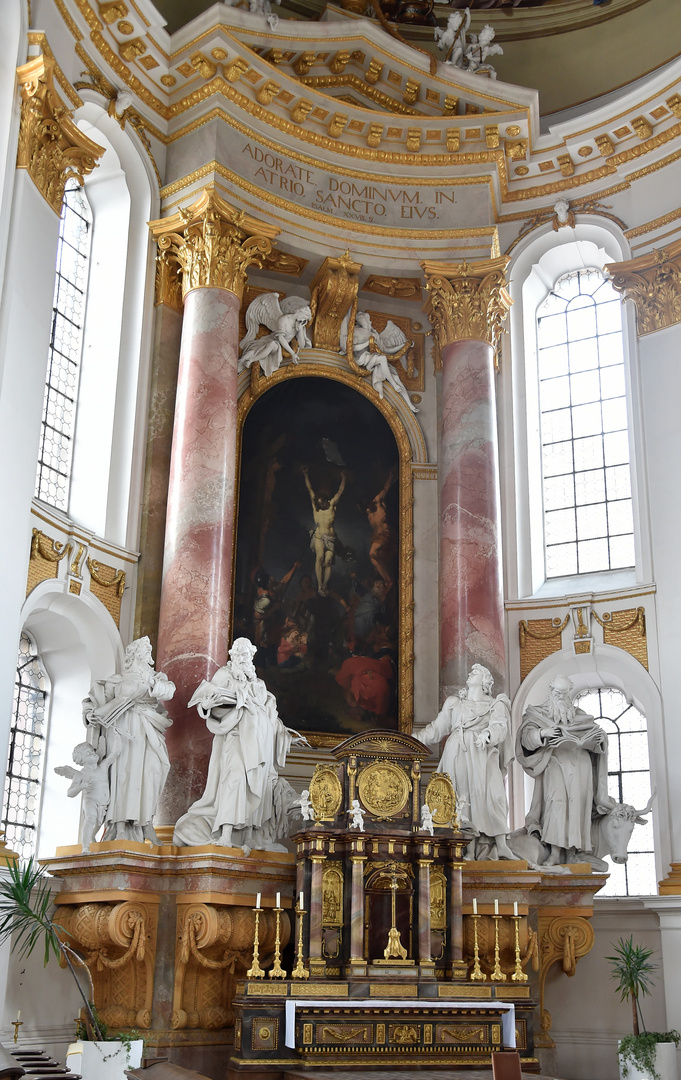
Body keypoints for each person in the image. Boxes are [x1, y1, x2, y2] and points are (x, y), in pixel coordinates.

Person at [173, 638, 309, 851]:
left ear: (252, 656)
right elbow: (209, 701)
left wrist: (285, 735)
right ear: (232, 655)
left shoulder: (259, 685)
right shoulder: (224, 676)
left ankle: (249, 835)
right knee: (233, 781)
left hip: (258, 746)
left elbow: (269, 717)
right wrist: (207, 706)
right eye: (239, 654)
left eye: (246, 654)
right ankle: (225, 834)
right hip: (236, 740)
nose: (243, 658)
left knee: (255, 788)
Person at [416, 664, 514, 859]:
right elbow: (437, 729)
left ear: (486, 681)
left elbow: (500, 726)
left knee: (494, 796)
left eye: (475, 672)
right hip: (457, 751)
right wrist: (413, 739)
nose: (470, 673)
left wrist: (487, 734)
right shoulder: (454, 703)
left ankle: (501, 844)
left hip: (482, 753)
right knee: (462, 798)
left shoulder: (496, 704)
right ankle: (467, 847)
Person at [82, 637, 174, 844]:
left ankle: (146, 823)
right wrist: (89, 714)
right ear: (132, 657)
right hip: (122, 732)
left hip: (147, 731)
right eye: (142, 652)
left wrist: (150, 682)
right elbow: (92, 701)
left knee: (151, 772)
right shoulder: (116, 681)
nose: (146, 656)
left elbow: (169, 690)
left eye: (148, 652)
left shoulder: (155, 679)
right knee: (123, 775)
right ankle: (120, 825)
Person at [516, 675, 616, 865]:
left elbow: (598, 738)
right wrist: (542, 733)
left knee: (578, 808)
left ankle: (572, 853)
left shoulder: (579, 715)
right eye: (557, 693)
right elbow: (526, 738)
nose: (560, 697)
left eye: (564, 694)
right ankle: (555, 853)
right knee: (557, 805)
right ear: (551, 690)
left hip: (581, 766)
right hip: (555, 764)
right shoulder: (538, 714)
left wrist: (595, 741)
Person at [54, 735, 121, 853]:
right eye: (88, 753)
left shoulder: (103, 766)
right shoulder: (81, 775)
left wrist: (117, 736)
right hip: (90, 800)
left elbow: (115, 753)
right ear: (81, 760)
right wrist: (81, 787)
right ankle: (85, 847)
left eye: (92, 751)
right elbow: (70, 793)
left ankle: (91, 836)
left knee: (98, 823)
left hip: (104, 802)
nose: (93, 753)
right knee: (90, 819)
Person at [302, 466, 347, 596]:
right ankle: (320, 585)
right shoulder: (315, 509)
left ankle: (324, 584)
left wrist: (343, 477)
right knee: (320, 557)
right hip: (319, 536)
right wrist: (305, 474)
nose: (321, 503)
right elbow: (309, 489)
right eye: (319, 502)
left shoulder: (332, 505)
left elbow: (340, 491)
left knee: (328, 561)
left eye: (322, 501)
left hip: (330, 537)